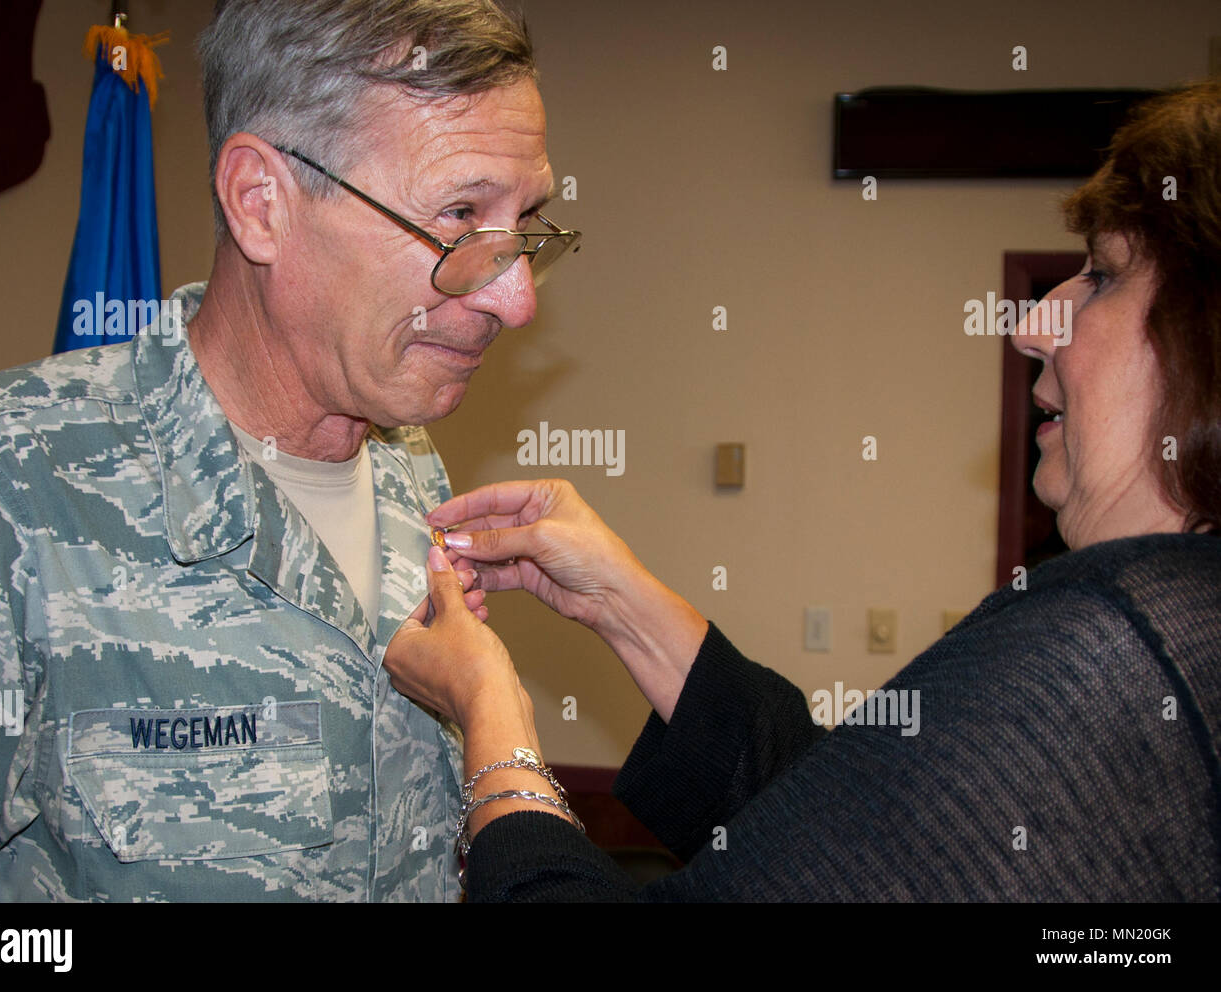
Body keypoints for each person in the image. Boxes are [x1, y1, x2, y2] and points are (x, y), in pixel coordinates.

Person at [384, 81, 1221, 901]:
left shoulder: (1114, 656)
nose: (1033, 325)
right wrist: (622, 602)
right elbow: (855, 830)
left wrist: (492, 712)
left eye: (1105, 277)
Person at [0, 0, 578, 902]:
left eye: (527, 223)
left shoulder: (408, 469)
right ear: (260, 203)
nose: (515, 300)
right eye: (461, 218)